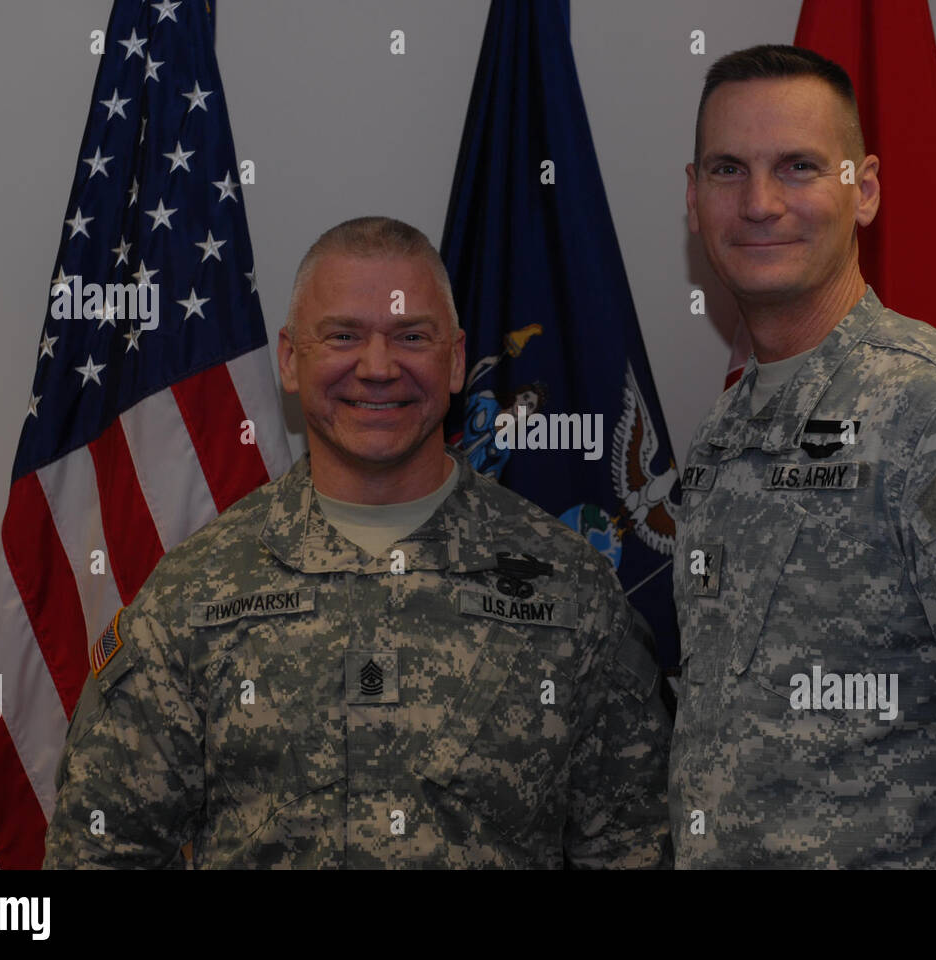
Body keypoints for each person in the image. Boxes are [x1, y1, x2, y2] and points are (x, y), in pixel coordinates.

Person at [43, 216, 671, 869]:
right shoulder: (194, 594)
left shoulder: (571, 589)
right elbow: (98, 850)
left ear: (456, 360)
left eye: (411, 337)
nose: (377, 368)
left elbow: (636, 848)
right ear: (291, 359)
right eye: (343, 336)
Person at [670, 46, 936, 868]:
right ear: (693, 198)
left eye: (797, 167)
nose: (759, 203)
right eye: (728, 170)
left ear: (862, 190)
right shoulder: (724, 434)